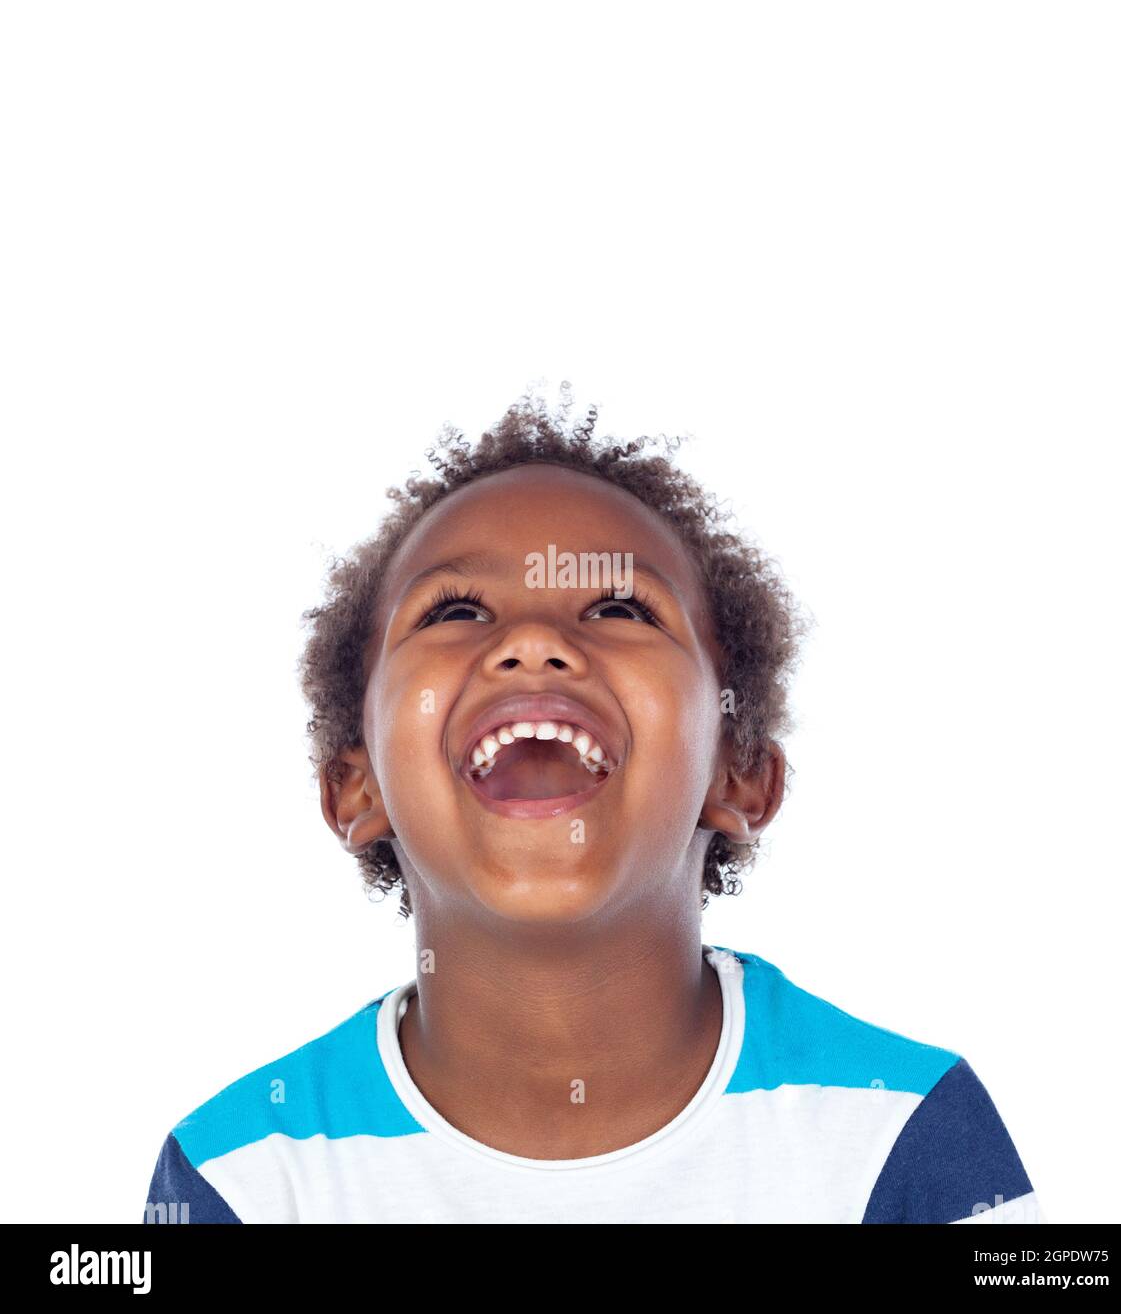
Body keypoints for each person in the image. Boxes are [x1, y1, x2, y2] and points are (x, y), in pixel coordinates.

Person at [143, 386, 1043, 1224]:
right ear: (357, 788)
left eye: (619, 607)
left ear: (739, 772)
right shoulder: (239, 1178)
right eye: (456, 610)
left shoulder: (903, 1135)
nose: (533, 642)